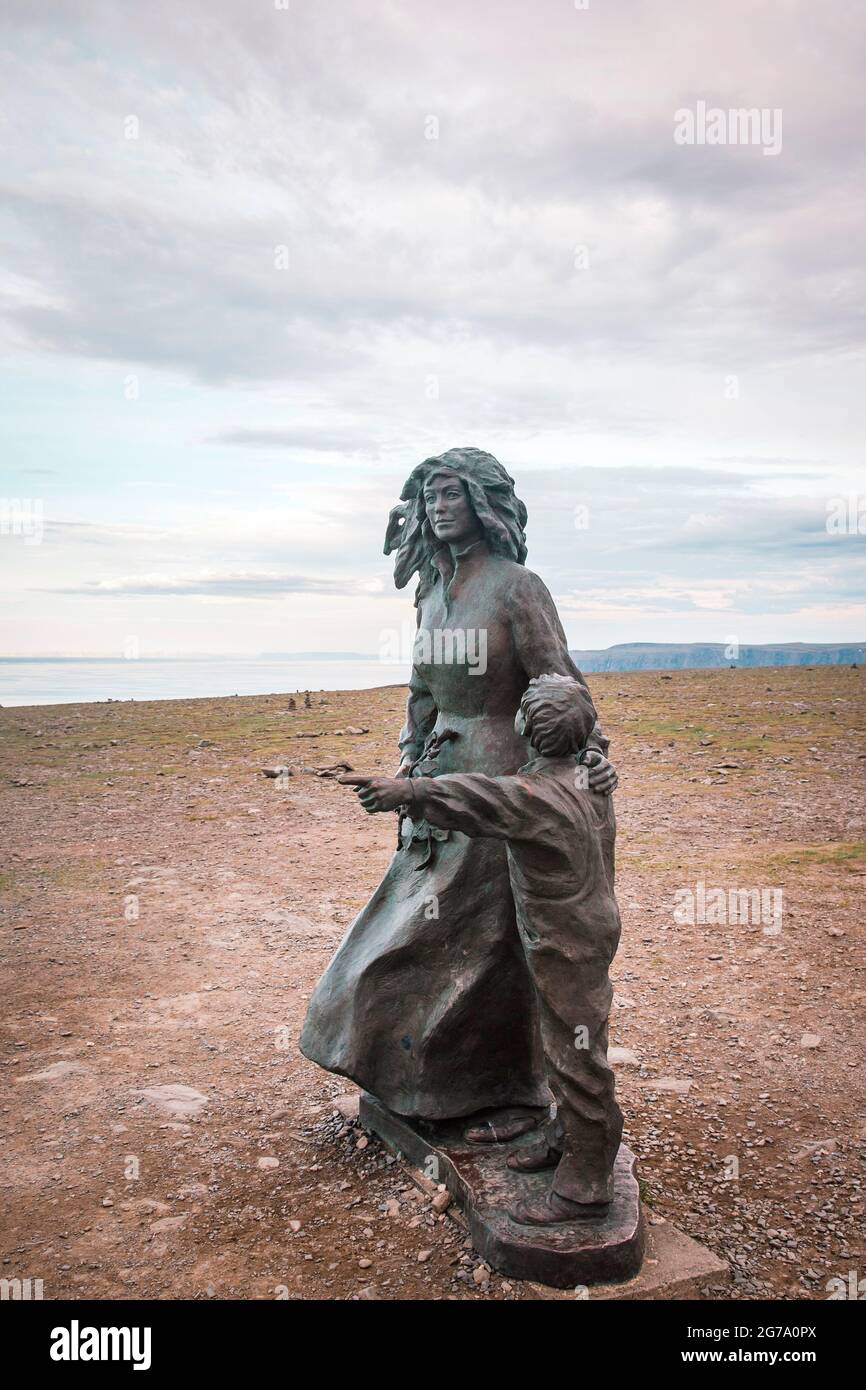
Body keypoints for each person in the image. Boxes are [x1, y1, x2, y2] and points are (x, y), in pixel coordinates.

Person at [299, 448, 616, 1140]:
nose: (439, 508)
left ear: (483, 502)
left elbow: (559, 684)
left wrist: (587, 763)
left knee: (486, 945)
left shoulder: (517, 587)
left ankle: (507, 1096)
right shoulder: (432, 595)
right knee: (414, 931)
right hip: (435, 785)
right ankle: (423, 1081)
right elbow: (421, 691)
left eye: (451, 494)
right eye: (430, 498)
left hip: (500, 781)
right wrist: (410, 754)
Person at [341, 673, 623, 1226]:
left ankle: (585, 1184)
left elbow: (479, 797)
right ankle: (567, 1137)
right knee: (563, 1039)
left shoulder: (539, 794)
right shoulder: (590, 779)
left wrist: (409, 791)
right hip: (583, 930)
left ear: (525, 730)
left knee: (576, 1054)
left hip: (565, 941)